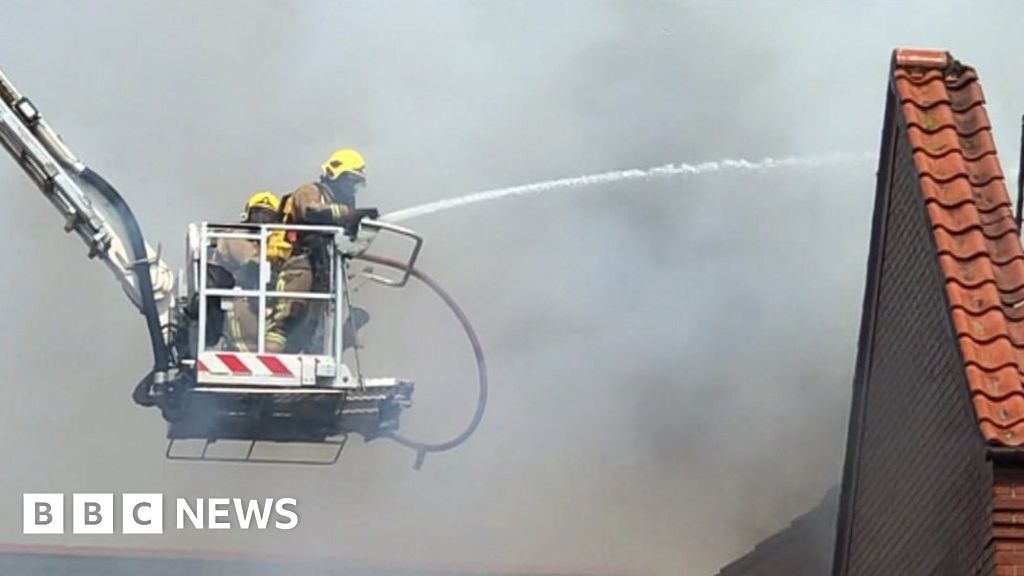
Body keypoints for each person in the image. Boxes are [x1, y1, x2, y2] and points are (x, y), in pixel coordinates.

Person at [265, 149, 378, 354]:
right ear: (336, 174)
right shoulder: (310, 191)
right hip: (300, 263)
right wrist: (349, 214)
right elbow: (312, 212)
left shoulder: (340, 202)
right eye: (351, 181)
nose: (353, 188)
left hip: (325, 268)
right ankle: (269, 363)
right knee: (287, 318)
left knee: (313, 327)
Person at [210, 191, 288, 352]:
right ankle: (250, 354)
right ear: (247, 216)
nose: (261, 223)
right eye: (257, 215)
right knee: (240, 314)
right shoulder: (235, 237)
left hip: (264, 300)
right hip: (234, 298)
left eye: (267, 217)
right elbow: (252, 266)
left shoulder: (276, 243)